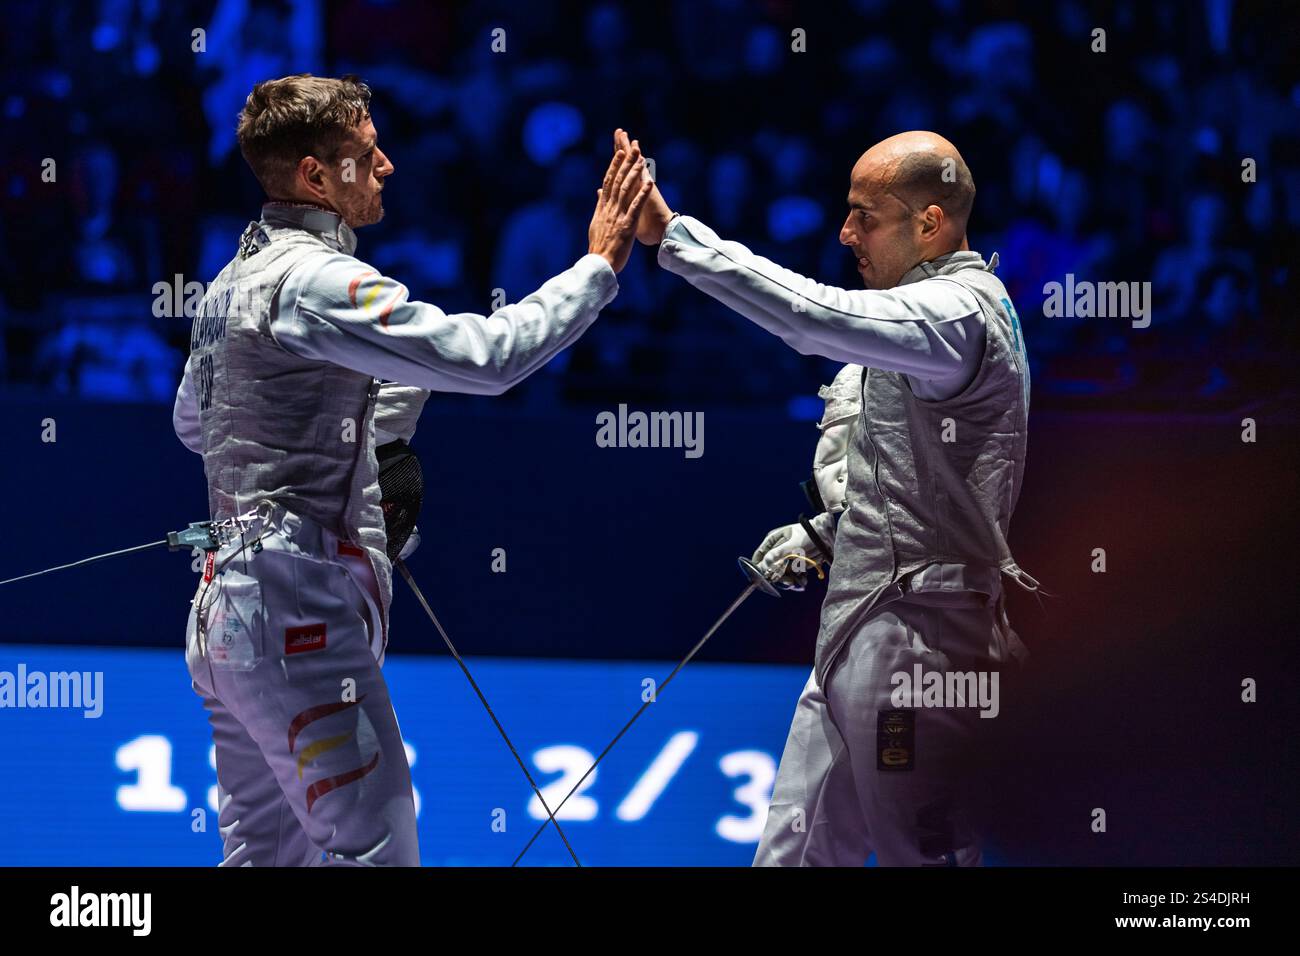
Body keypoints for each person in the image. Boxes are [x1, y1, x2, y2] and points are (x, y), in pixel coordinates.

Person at [172, 75, 651, 866]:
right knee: (375, 856)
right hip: (298, 623)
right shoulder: (318, 282)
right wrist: (598, 267)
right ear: (316, 178)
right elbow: (490, 358)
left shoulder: (228, 286)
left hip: (224, 615)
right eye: (366, 154)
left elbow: (196, 424)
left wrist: (358, 450)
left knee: (267, 861)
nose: (388, 165)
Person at [620, 128, 1038, 866]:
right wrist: (824, 532)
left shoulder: (954, 315)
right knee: (794, 852)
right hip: (862, 630)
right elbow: (913, 477)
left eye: (865, 216)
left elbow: (814, 319)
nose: (845, 233)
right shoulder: (920, 316)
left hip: (921, 654)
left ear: (930, 224)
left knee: (923, 854)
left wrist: (675, 237)